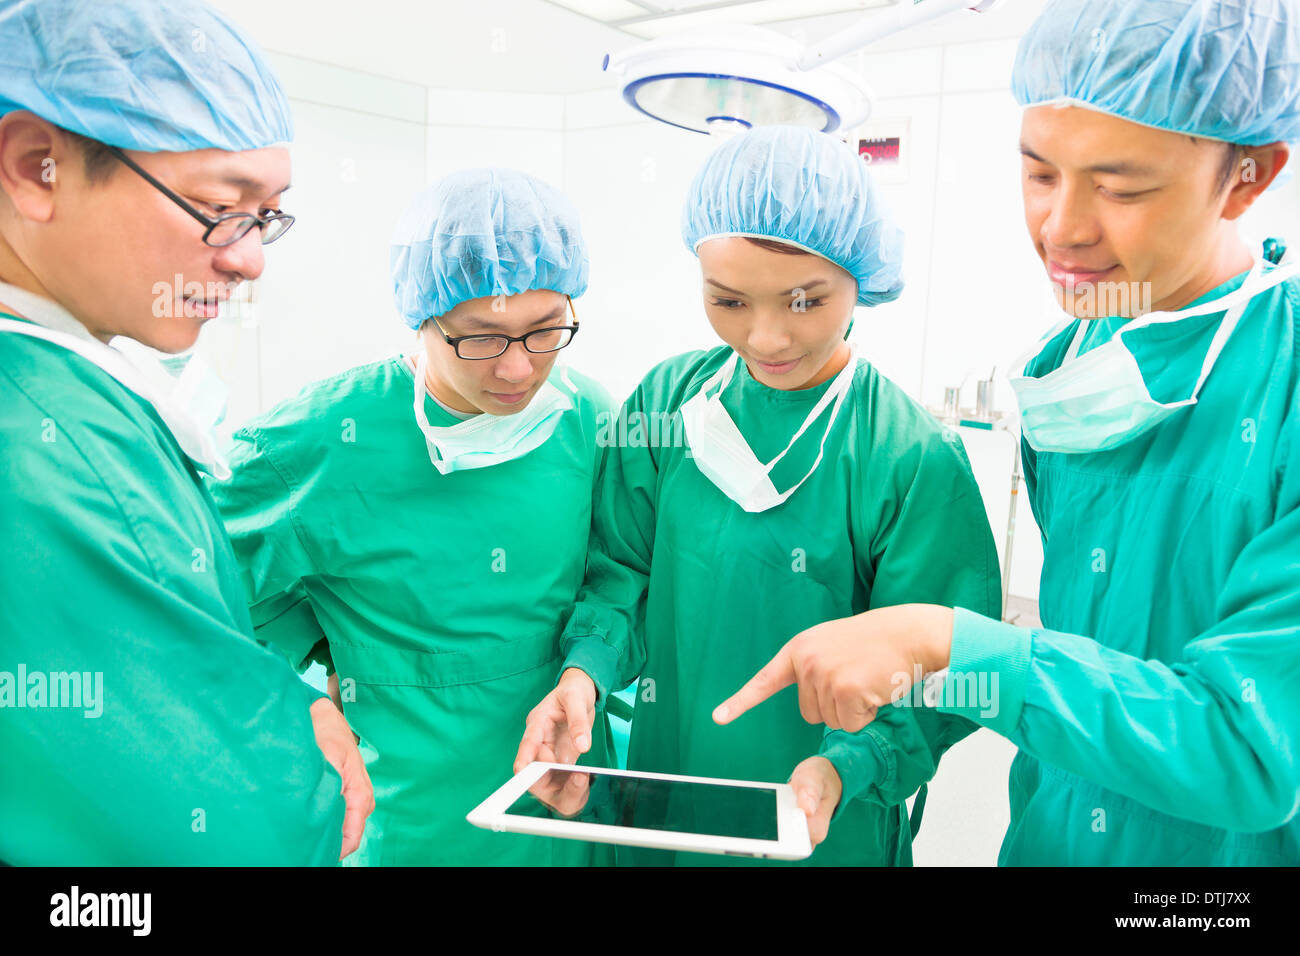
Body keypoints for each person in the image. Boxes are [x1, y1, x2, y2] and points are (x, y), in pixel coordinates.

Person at [718, 0, 1300, 866]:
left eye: (1120, 187)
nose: (1062, 228)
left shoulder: (1281, 384)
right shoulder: (1080, 365)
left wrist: (950, 644)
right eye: (1038, 174)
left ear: (1247, 176)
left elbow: (1249, 751)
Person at [515, 126, 1002, 866]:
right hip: (669, 792)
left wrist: (848, 766)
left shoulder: (909, 457)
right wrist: (585, 677)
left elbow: (942, 670)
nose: (767, 337)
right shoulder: (665, 406)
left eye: (804, 301)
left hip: (825, 823)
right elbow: (618, 578)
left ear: (859, 279)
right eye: (729, 300)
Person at [0, 0, 367, 865]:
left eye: (267, 216)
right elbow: (222, 824)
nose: (248, 258)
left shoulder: (89, 392)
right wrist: (298, 756)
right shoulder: (48, 453)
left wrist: (282, 697)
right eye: (219, 207)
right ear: (34, 167)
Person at [210, 169, 617, 866]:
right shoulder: (318, 441)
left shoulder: (589, 420)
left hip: (565, 795)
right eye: (481, 338)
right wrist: (326, 655)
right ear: (422, 315)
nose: (519, 370)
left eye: (546, 331)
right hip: (412, 815)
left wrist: (586, 673)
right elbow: (200, 594)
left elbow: (617, 581)